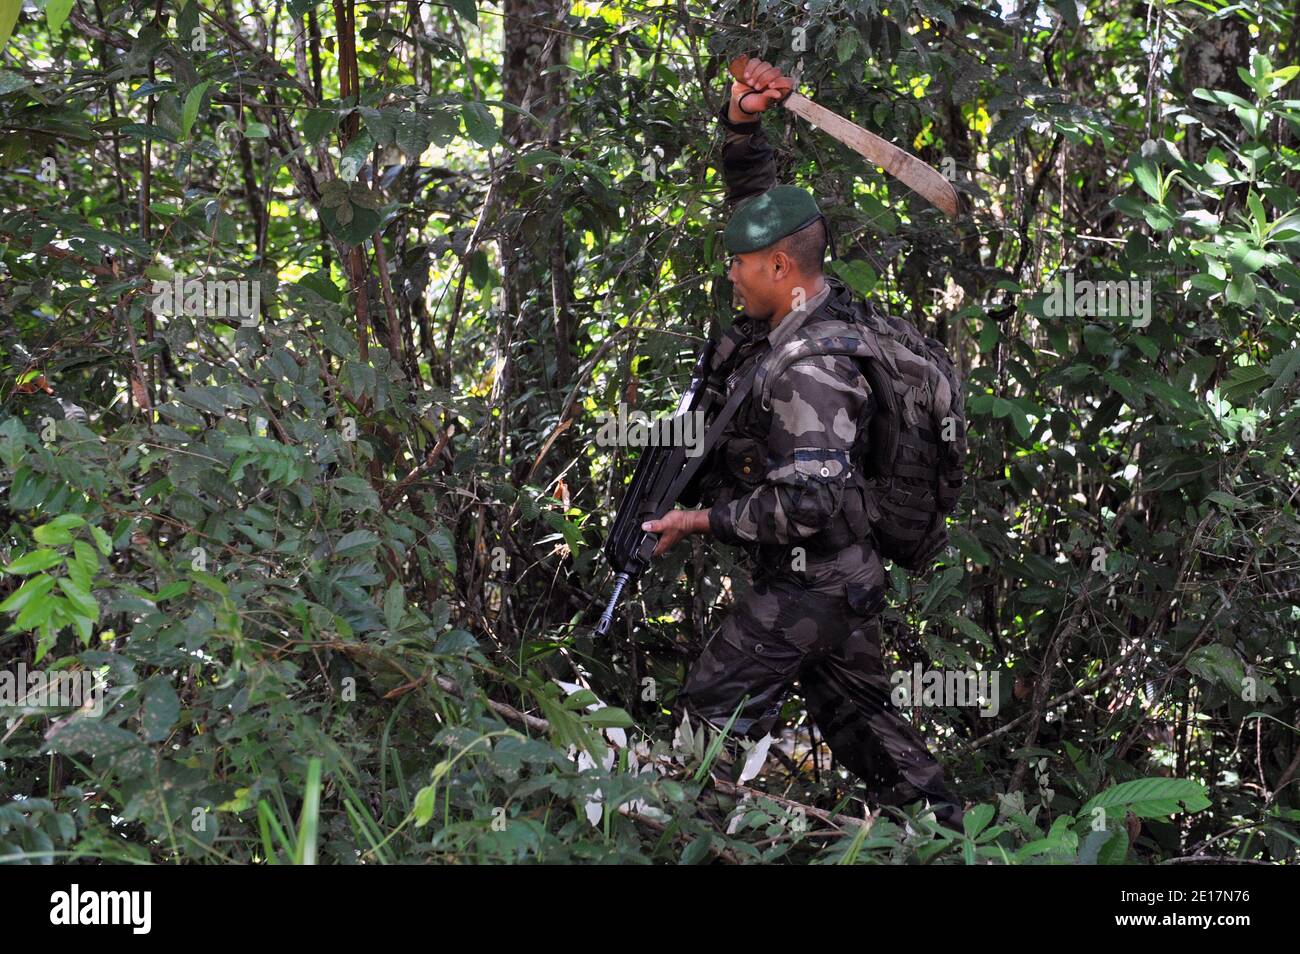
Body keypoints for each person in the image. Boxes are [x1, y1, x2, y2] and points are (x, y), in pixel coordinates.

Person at [640, 57, 965, 832]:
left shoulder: (811, 366)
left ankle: (674, 837)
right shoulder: (795, 306)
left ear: (781, 267)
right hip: (840, 577)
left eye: (740, 266)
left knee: (708, 719)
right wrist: (743, 123)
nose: (730, 276)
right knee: (866, 730)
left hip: (813, 580)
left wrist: (703, 523)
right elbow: (758, 207)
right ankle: (957, 839)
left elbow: (811, 498)